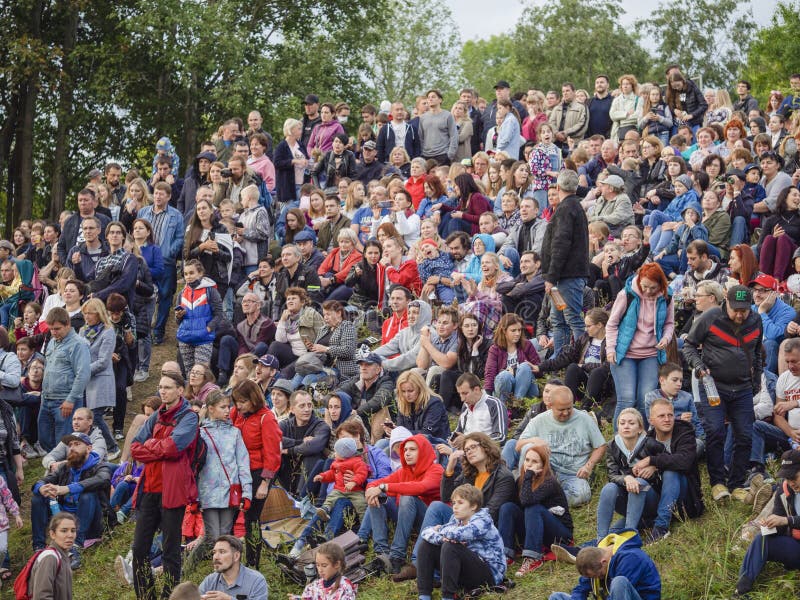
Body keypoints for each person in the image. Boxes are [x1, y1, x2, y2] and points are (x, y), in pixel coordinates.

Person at [683, 285, 763, 502]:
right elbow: (688, 345)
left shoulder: (756, 321)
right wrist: (698, 365)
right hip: (713, 385)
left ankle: (737, 483)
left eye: (743, 310)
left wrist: (756, 381)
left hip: (743, 387)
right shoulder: (711, 317)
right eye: (735, 309)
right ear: (725, 302)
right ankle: (717, 482)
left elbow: (757, 353)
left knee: (745, 435)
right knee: (716, 431)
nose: (739, 314)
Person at [131, 372, 199, 600]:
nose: (162, 391)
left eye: (168, 387)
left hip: (173, 491)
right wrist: (156, 447)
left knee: (170, 549)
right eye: (160, 387)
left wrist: (150, 446)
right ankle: (146, 596)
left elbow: (174, 447)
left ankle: (171, 596)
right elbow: (134, 447)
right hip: (149, 490)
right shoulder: (156, 415)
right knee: (139, 549)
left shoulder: (188, 417)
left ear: (180, 390)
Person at [184, 390, 252, 573]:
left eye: (228, 407)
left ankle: (221, 574)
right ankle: (189, 571)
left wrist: (247, 492)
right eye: (223, 407)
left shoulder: (235, 433)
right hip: (208, 493)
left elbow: (243, 463)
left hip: (230, 493)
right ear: (211, 409)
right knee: (215, 537)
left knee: (224, 535)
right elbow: (194, 467)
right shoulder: (201, 433)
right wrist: (194, 497)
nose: (227, 410)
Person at [606, 263, 675, 429]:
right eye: (645, 286)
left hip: (651, 354)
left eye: (653, 287)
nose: (648, 291)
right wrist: (610, 349)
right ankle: (619, 443)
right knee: (627, 399)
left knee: (646, 399)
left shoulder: (667, 297)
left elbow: (669, 323)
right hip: (625, 353)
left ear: (661, 285)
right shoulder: (627, 295)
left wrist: (666, 338)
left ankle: (641, 441)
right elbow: (612, 324)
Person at [515, 385, 607, 507]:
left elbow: (601, 446)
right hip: (546, 471)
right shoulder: (539, 420)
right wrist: (534, 440)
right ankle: (527, 491)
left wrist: (589, 466)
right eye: (561, 409)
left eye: (569, 408)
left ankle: (544, 501)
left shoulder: (584, 419)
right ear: (550, 405)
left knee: (583, 494)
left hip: (573, 474)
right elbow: (518, 445)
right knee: (528, 447)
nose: (566, 413)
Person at [31, 432, 112, 568]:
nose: (72, 448)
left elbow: (103, 479)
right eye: (70, 445)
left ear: (89, 448)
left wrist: (68, 488)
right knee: (38, 498)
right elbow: (42, 481)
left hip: (90, 521)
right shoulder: (65, 467)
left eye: (77, 444)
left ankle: (75, 547)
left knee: (88, 494)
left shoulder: (100, 466)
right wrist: (41, 488)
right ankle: (39, 547)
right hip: (64, 516)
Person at [365, 434, 443, 574]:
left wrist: (384, 487)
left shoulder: (436, 470)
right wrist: (371, 489)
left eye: (412, 449)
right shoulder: (403, 471)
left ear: (423, 451)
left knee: (407, 497)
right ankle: (381, 552)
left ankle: (397, 556)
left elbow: (421, 487)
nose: (407, 453)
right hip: (405, 516)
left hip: (427, 521)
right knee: (377, 496)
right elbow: (376, 484)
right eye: (405, 450)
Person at [416, 484, 507, 600]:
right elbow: (425, 532)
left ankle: (448, 596)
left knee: (450, 546)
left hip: (489, 574)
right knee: (426, 545)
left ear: (473, 506)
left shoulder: (483, 521)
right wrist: (441, 537)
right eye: (454, 503)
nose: (455, 507)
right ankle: (424, 595)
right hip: (467, 571)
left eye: (460, 502)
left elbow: (461, 534)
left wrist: (440, 531)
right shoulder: (457, 520)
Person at [733, 448, 800, 598]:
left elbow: (786, 520)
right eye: (787, 478)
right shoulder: (784, 490)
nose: (791, 483)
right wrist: (771, 525)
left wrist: (786, 520)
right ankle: (741, 589)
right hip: (796, 546)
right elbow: (781, 526)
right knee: (762, 539)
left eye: (794, 477)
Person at [229, 379, 282, 569]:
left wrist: (265, 483)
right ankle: (229, 561)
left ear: (253, 399)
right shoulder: (238, 414)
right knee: (231, 517)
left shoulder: (266, 417)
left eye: (242, 401)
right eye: (236, 401)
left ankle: (252, 564)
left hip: (257, 473)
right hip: (237, 472)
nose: (239, 405)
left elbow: (273, 453)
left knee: (251, 519)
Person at [497, 444, 572, 576]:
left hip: (559, 534)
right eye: (527, 460)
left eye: (535, 461)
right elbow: (517, 507)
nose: (529, 464)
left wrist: (528, 476)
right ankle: (506, 554)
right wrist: (526, 478)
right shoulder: (522, 480)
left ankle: (533, 558)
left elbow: (527, 501)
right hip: (535, 529)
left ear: (543, 466)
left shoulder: (549, 482)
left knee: (533, 508)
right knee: (507, 507)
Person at [540, 170, 589, 355]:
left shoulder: (566, 209)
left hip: (566, 278)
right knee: (559, 320)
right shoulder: (574, 207)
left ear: (558, 187)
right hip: (563, 278)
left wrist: (551, 277)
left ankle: (580, 358)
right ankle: (559, 359)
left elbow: (560, 245)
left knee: (572, 319)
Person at [535, 308, 613, 420]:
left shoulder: (611, 340)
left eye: (589, 326)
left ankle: (585, 408)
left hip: (603, 385)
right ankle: (566, 402)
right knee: (572, 367)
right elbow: (567, 357)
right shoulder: (585, 338)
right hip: (585, 383)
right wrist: (540, 367)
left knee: (598, 371)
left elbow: (608, 366)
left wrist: (585, 366)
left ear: (600, 325)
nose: (586, 329)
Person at [548, 531, 661, 600]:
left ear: (603, 562)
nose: (596, 579)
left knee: (619, 582)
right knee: (556, 597)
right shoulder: (594, 563)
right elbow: (581, 589)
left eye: (598, 576)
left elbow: (620, 594)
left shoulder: (631, 559)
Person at [38, 308, 91, 451]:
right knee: (44, 438)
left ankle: (65, 469)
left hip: (65, 400)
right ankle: (55, 465)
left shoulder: (79, 344)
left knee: (64, 443)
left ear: (68, 324)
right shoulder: (52, 342)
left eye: (57, 329)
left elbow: (83, 374)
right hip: (47, 398)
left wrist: (71, 399)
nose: (53, 332)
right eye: (51, 329)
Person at [79, 298, 121, 457]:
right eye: (85, 313)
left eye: (90, 313)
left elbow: (103, 361)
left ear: (99, 313)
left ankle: (112, 447)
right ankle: (93, 447)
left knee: (95, 416)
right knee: (86, 416)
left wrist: (83, 370)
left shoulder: (108, 331)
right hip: (85, 381)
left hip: (100, 379)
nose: (87, 316)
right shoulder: (83, 331)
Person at [277, 390, 330, 496]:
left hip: (311, 476)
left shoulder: (321, 425)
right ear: (292, 409)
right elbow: (275, 439)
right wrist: (301, 442)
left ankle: (301, 497)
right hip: (288, 473)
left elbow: (314, 446)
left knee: (312, 455)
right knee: (274, 453)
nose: (307, 409)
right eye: (302, 406)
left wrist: (289, 450)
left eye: (309, 405)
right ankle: (270, 491)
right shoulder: (285, 424)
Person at [175, 259, 224, 373]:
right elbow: (177, 321)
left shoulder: (210, 291)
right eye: (186, 274)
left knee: (201, 373)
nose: (188, 277)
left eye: (192, 273)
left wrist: (208, 328)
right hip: (185, 338)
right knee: (189, 375)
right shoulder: (181, 294)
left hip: (204, 338)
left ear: (200, 273)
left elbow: (219, 314)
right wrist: (178, 316)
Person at [483, 313, 540, 404]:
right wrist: (488, 396)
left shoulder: (527, 345)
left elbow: (539, 368)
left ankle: (517, 404)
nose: (517, 334)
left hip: (526, 388)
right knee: (505, 375)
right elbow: (490, 373)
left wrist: (532, 368)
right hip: (505, 388)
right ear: (504, 331)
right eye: (513, 331)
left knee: (525, 366)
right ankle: (503, 407)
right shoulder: (495, 349)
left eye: (519, 330)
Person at [198, 535, 268, 600]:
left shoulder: (256, 580)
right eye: (214, 552)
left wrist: (229, 599)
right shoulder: (210, 581)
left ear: (236, 556)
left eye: (222, 552)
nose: (216, 557)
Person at [25, 512, 76, 600]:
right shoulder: (50, 558)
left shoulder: (63, 555)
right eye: (64, 531)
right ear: (52, 534)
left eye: (73, 530)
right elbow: (41, 597)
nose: (70, 535)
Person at [42, 407, 108, 471]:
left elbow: (93, 460)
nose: (75, 422)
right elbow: (48, 457)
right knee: (51, 469)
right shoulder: (70, 439)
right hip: (72, 475)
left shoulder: (98, 440)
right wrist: (52, 464)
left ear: (90, 421)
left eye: (80, 419)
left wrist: (63, 464)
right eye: (74, 419)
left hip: (94, 476)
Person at [451, 372, 507, 443]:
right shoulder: (465, 405)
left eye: (465, 393)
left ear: (476, 390)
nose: (462, 399)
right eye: (460, 394)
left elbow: (500, 437)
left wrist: (469, 441)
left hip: (486, 452)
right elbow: (458, 432)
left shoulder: (494, 404)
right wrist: (452, 440)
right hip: (464, 451)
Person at [418, 89, 457, 165]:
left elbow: (454, 136)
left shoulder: (448, 115)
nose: (430, 99)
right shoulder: (422, 118)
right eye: (428, 97)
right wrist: (422, 152)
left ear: (440, 100)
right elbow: (420, 137)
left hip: (443, 155)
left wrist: (450, 155)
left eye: (433, 97)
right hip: (426, 155)